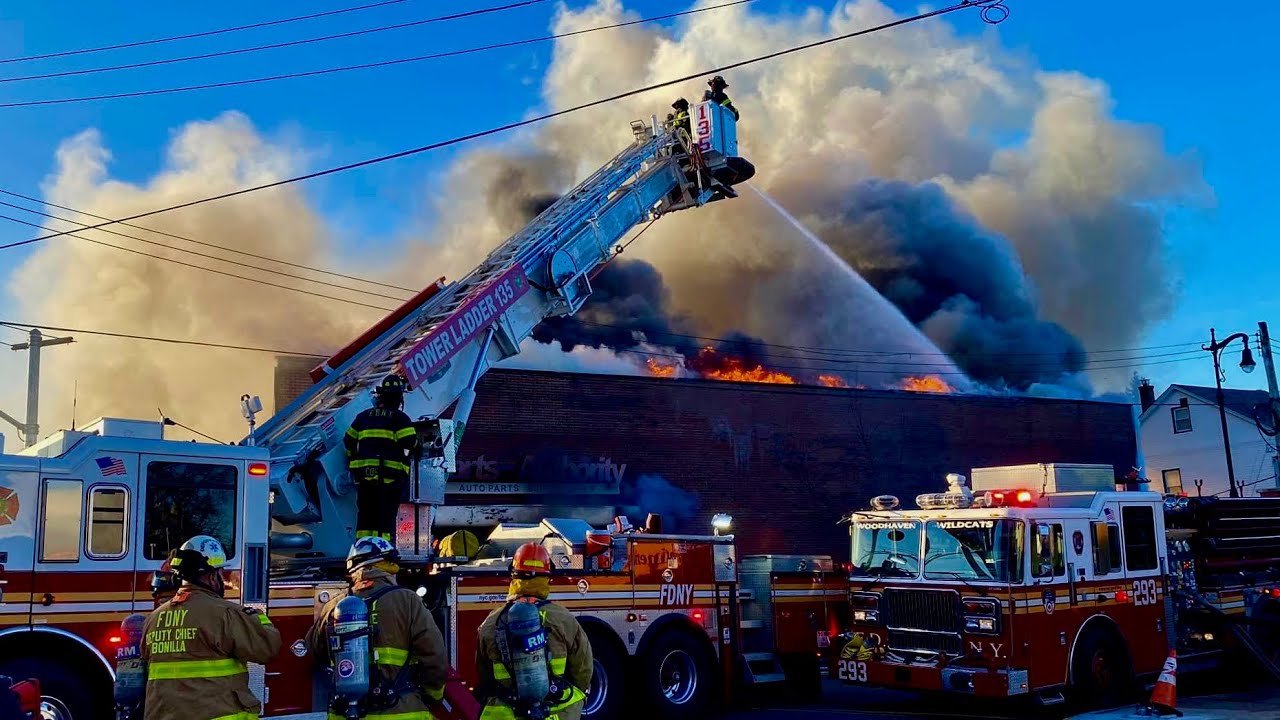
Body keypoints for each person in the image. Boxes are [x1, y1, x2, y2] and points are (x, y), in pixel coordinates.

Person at [140, 535, 281, 720]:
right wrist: (256, 617)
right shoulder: (226, 614)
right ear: (212, 575)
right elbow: (267, 648)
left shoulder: (153, 619)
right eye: (220, 573)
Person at [307, 537, 449, 719]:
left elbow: (315, 651)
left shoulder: (336, 605)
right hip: (400, 711)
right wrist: (433, 695)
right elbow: (434, 653)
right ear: (387, 566)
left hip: (347, 712)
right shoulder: (407, 600)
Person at [475, 543, 593, 720]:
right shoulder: (564, 619)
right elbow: (583, 668)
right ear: (547, 578)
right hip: (555, 712)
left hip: (505, 713)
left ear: (513, 576)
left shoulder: (491, 622)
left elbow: (484, 674)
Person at [346, 375, 419, 542]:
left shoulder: (363, 417)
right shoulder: (399, 418)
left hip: (365, 478)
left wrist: (355, 460)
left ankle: (363, 547)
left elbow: (348, 441)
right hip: (389, 478)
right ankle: (382, 550)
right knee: (384, 517)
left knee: (366, 515)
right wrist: (418, 446)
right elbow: (409, 442)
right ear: (399, 397)